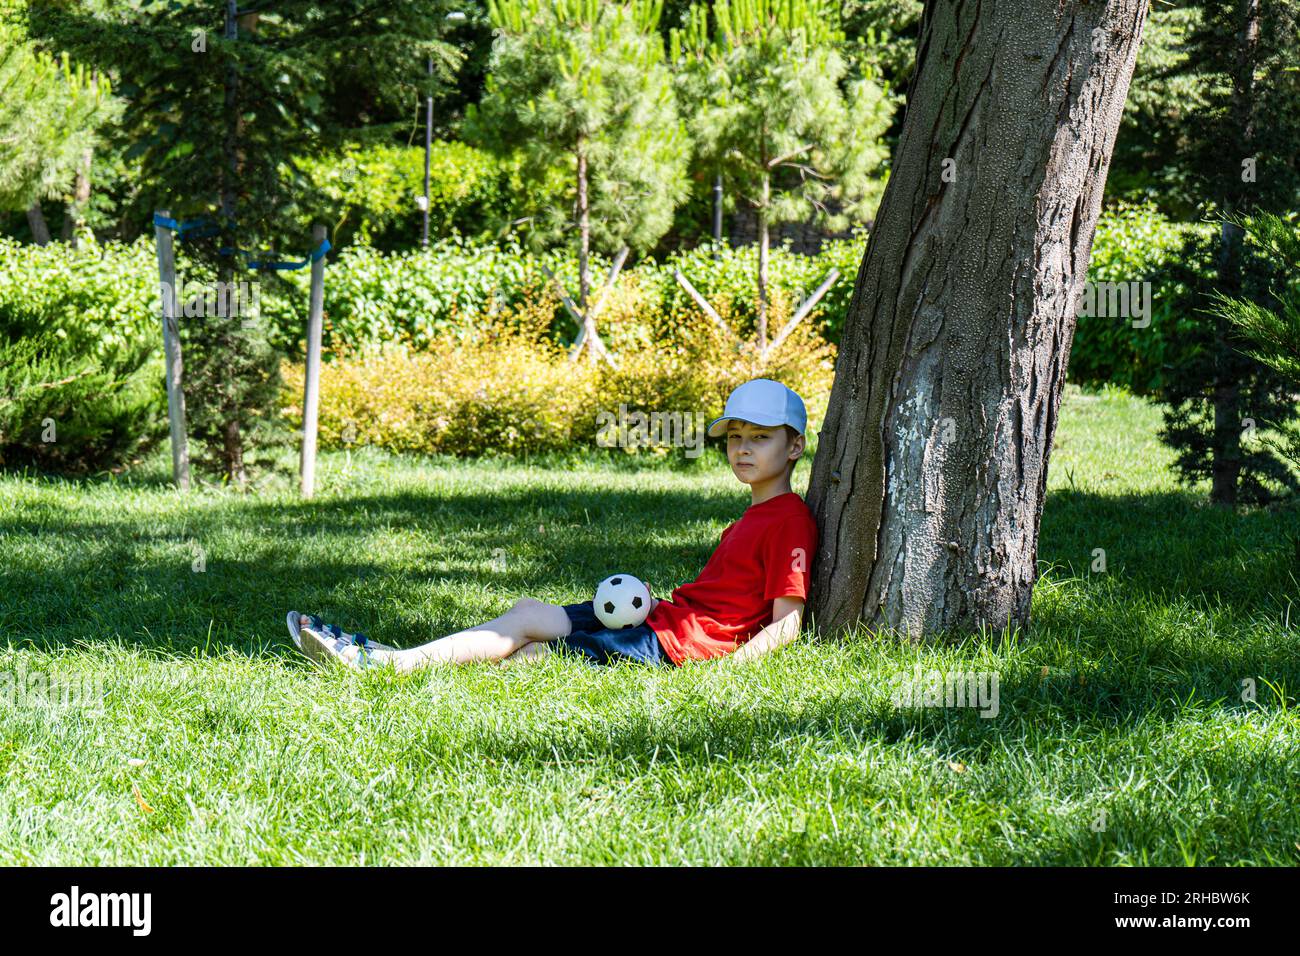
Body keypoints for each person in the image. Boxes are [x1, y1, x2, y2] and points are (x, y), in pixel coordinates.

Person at [288, 378, 818, 671]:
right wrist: (657, 606)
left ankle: (390, 668)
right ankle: (387, 658)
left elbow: (786, 622)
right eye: (734, 436)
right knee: (528, 612)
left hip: (676, 647)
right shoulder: (753, 516)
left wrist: (726, 677)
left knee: (536, 655)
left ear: (794, 446)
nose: (743, 447)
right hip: (662, 619)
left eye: (761, 436)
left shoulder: (789, 520)